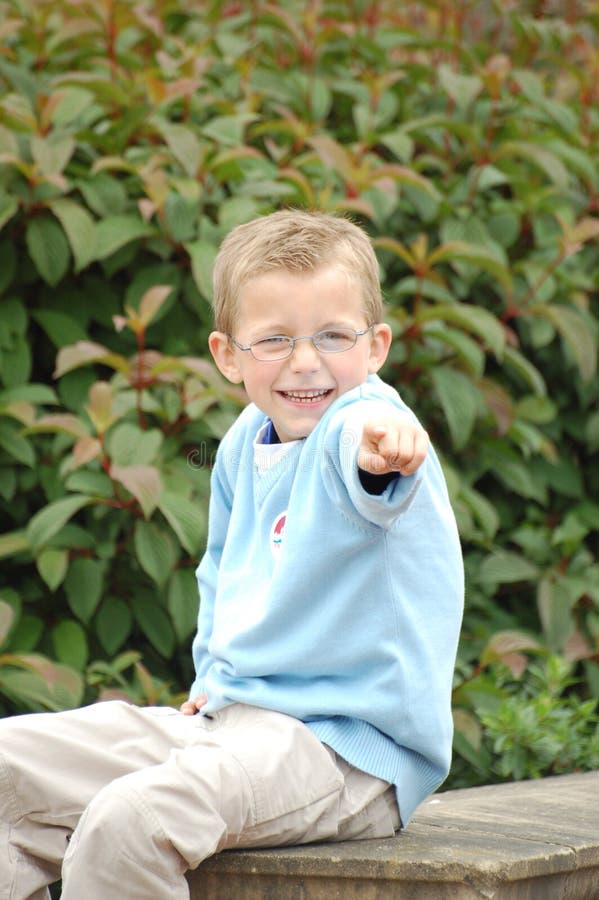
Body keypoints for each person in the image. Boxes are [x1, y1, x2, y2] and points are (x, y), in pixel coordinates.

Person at [0, 210, 463, 900]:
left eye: (334, 337)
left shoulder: (362, 425)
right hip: (231, 725)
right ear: (227, 354)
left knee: (132, 821)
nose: (306, 362)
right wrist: (210, 680)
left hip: (346, 754)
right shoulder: (243, 442)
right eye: (274, 340)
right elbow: (221, 572)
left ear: (375, 348)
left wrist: (386, 443)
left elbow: (367, 450)